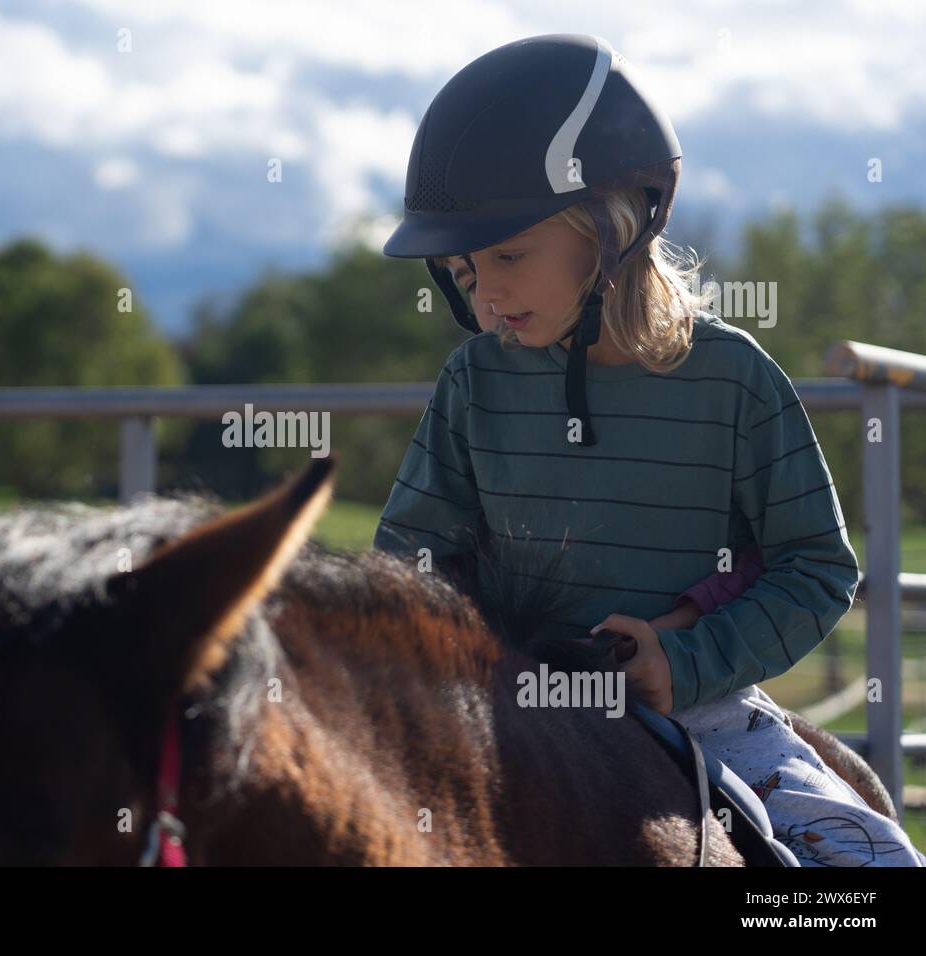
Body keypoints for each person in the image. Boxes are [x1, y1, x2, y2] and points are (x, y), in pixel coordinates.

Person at [373, 33, 924, 866]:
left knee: (872, 868)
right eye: (463, 269)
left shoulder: (734, 380)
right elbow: (410, 562)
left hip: (701, 713)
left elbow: (816, 569)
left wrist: (686, 663)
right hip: (506, 704)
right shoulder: (473, 381)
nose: (486, 295)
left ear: (612, 223)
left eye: (509, 256)